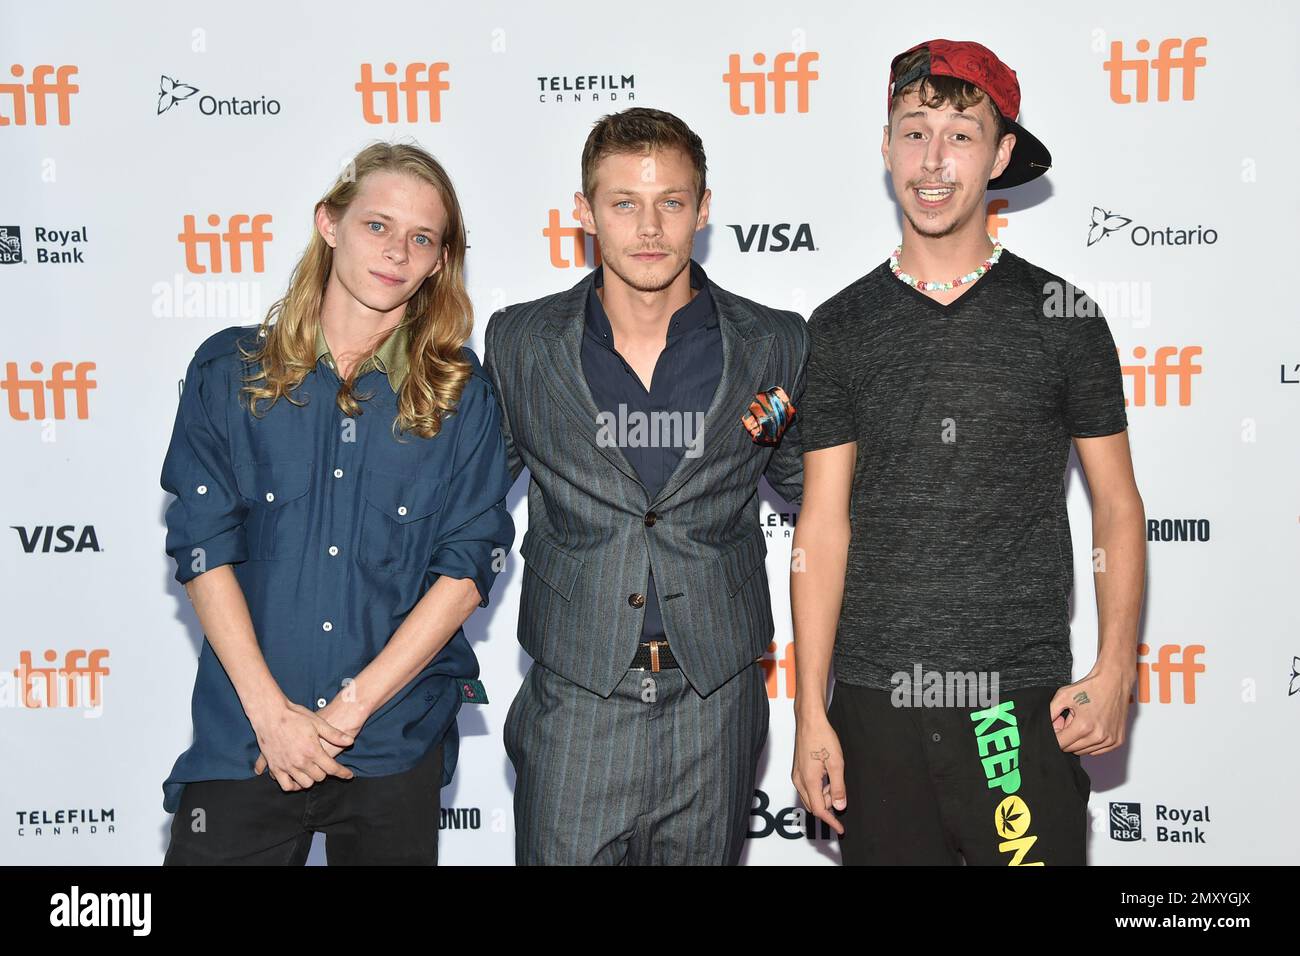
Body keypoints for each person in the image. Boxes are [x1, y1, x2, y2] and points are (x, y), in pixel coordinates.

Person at [791, 40, 1146, 865]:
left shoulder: (1065, 315)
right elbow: (822, 524)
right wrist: (812, 709)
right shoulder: (839, 329)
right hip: (876, 704)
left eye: (960, 133)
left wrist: (1117, 666)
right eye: (914, 132)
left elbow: (1118, 505)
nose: (934, 160)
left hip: (1018, 702)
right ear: (885, 148)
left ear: (1002, 152)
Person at [159, 142, 514, 865]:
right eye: (377, 226)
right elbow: (201, 548)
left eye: (423, 238)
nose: (397, 252)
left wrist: (347, 714)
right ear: (329, 223)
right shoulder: (230, 372)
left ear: (441, 260)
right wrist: (272, 715)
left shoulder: (463, 396)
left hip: (389, 744)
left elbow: (467, 570)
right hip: (247, 739)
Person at [484, 107, 808, 864]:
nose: (650, 227)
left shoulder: (776, 343)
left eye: (672, 202)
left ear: (703, 206)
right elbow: (461, 507)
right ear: (585, 213)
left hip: (716, 705)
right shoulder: (521, 343)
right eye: (623, 203)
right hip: (577, 702)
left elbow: (823, 503)